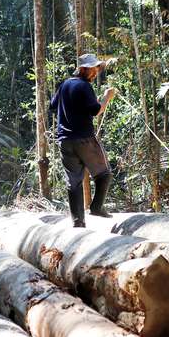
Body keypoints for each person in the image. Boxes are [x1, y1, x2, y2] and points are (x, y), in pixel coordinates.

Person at [49, 53, 116, 227]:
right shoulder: (84, 86)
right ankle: (96, 207)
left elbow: (53, 106)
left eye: (96, 69)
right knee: (104, 173)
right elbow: (96, 111)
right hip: (84, 139)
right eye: (94, 69)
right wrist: (107, 97)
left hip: (65, 141)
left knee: (74, 182)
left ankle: (78, 222)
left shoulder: (64, 84)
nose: (96, 72)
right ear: (84, 69)